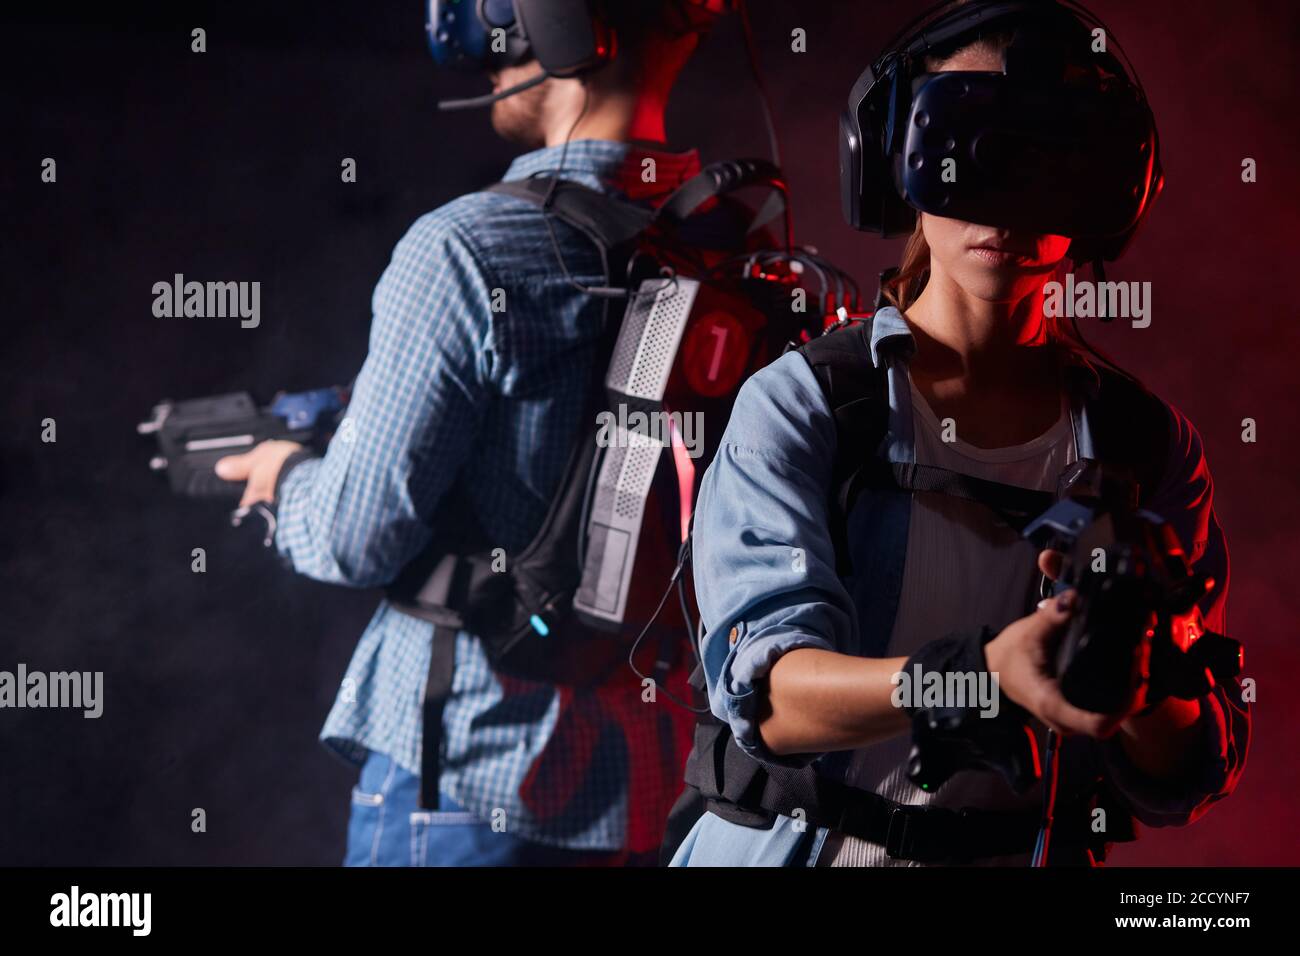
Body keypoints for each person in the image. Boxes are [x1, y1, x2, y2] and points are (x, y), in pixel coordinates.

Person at [671, 8, 1249, 867]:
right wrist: (980, 676)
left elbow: (1189, 768)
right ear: (892, 154)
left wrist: (1134, 670)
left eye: (1045, 155)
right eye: (968, 142)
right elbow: (770, 698)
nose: (1004, 201)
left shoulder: (1146, 450)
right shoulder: (807, 404)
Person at [213, 1, 724, 866]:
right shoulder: (728, 247)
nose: (487, 47)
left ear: (563, 26)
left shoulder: (467, 248)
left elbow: (353, 538)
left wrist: (284, 480)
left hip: (468, 777)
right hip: (653, 794)